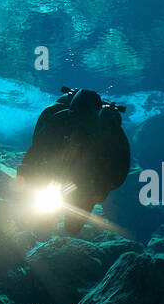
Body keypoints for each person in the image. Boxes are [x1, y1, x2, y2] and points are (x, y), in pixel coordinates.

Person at [17, 87, 130, 235]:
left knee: (72, 228)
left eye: (84, 119)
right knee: (37, 218)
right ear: (71, 112)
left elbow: (120, 168)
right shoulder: (58, 120)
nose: (79, 124)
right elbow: (37, 148)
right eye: (76, 117)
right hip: (56, 169)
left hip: (86, 179)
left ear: (95, 118)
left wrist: (99, 190)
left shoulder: (110, 134)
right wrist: (25, 176)